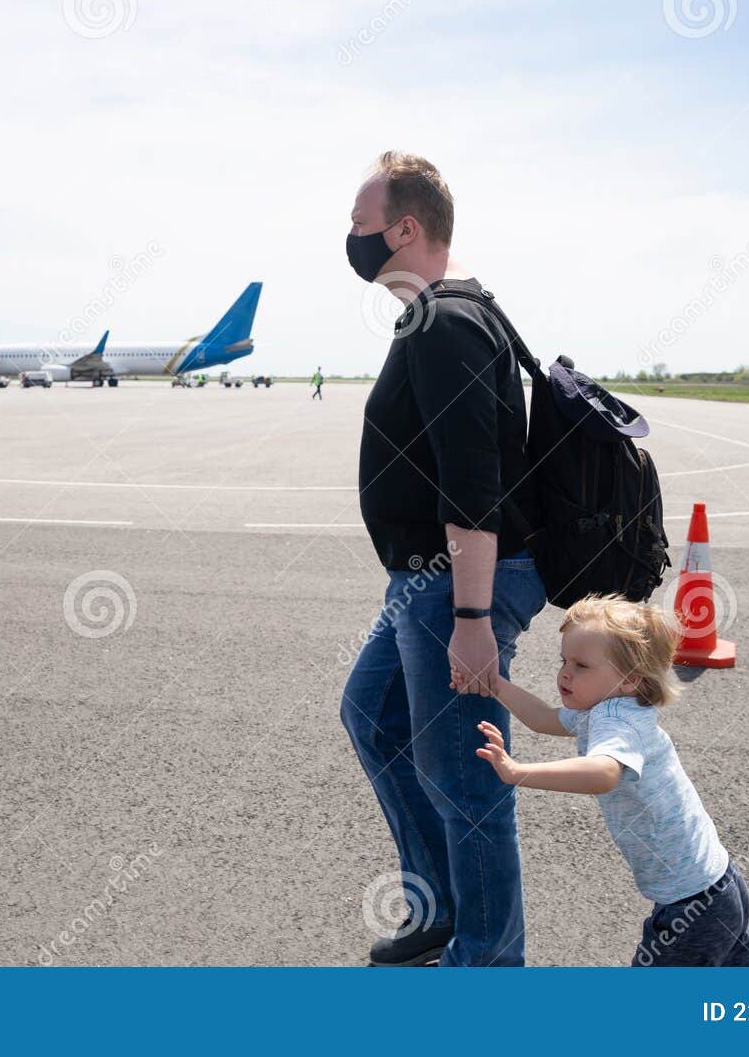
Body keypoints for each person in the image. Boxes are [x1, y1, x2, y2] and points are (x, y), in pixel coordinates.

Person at [339, 151, 545, 967]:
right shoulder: (446, 314)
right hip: (424, 584)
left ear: (406, 228)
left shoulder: (446, 322)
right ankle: (438, 905)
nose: (349, 240)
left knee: (466, 777)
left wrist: (470, 617)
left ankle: (489, 968)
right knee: (374, 713)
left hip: (455, 586)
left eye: (358, 225)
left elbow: (474, 483)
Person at [470, 594, 749, 967]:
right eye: (564, 660)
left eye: (581, 665)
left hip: (691, 908)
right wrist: (494, 683)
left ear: (630, 679)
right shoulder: (606, 707)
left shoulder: (618, 723)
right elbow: (543, 717)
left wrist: (516, 772)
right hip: (718, 887)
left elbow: (603, 773)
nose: (564, 673)